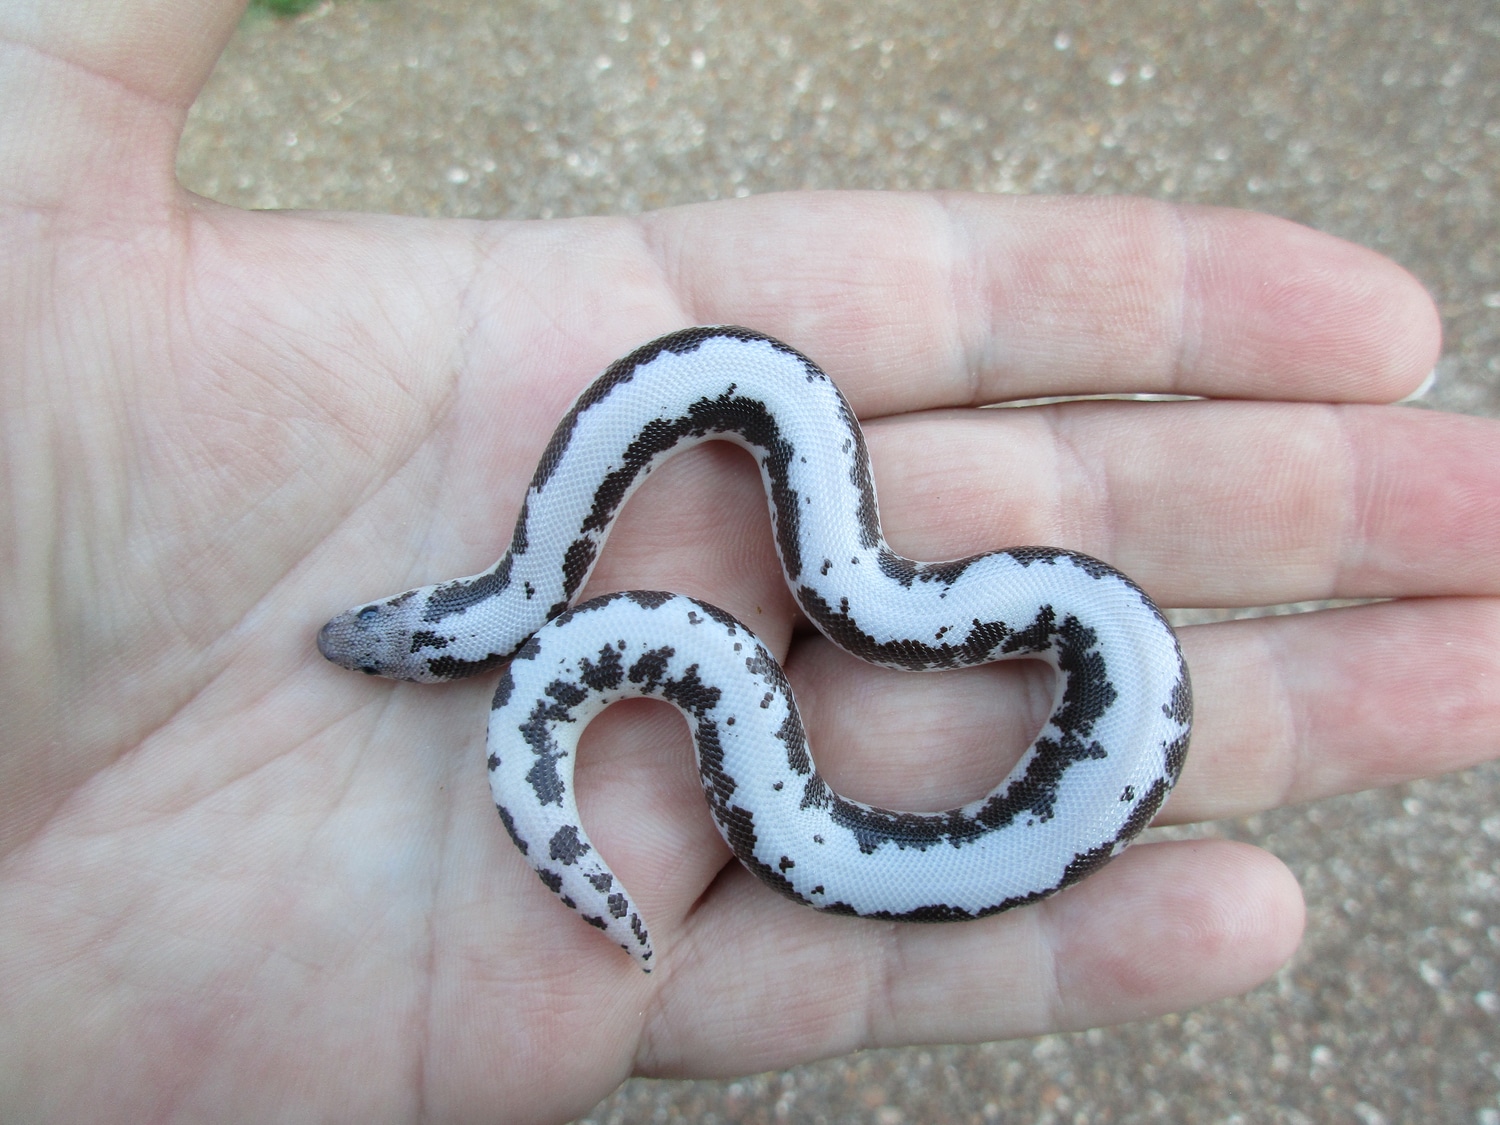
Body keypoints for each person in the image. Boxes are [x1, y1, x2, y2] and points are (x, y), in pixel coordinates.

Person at [2, 2, 1495, 1123]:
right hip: (947, 703)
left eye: (400, 631)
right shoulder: (599, 565)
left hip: (1070, 675)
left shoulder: (709, 540)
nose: (383, 638)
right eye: (404, 638)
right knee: (832, 619)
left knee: (864, 602)